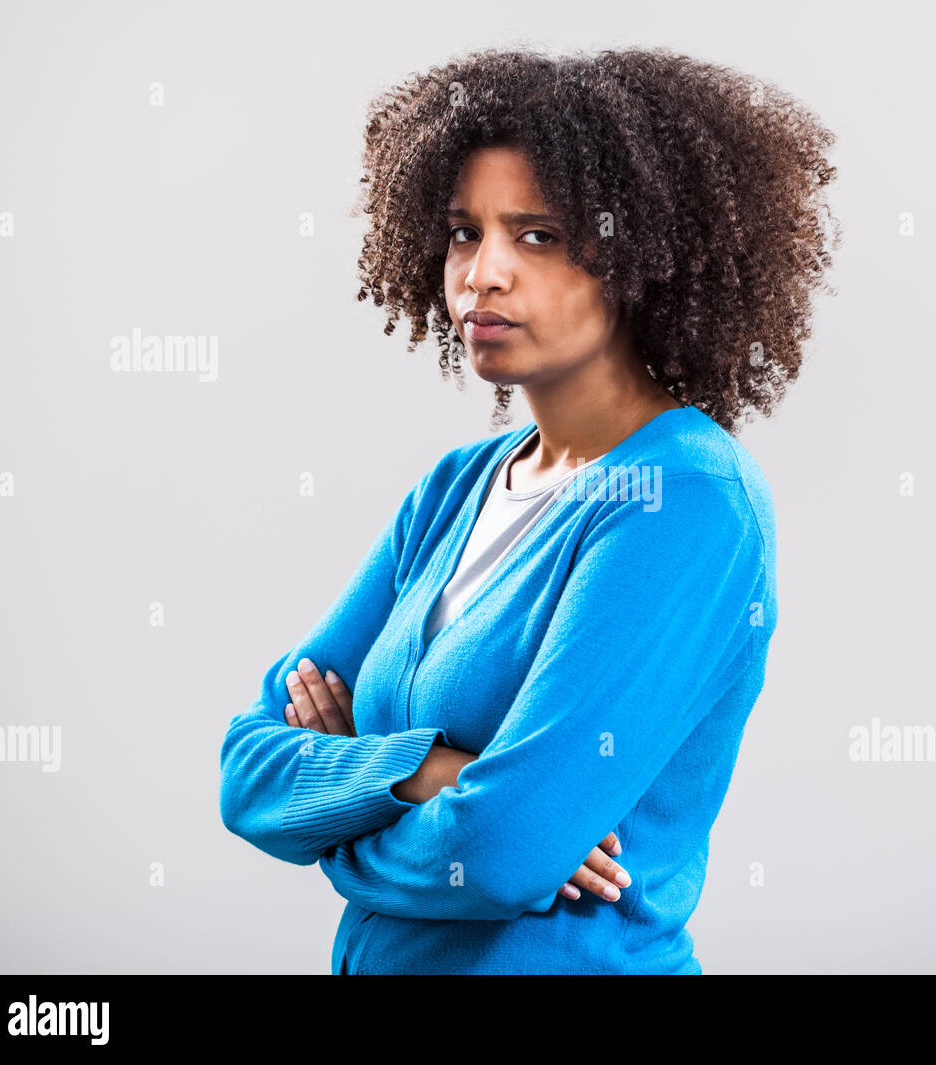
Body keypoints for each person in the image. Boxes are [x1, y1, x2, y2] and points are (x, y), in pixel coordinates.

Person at [219, 45, 839, 974]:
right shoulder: (452, 490)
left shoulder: (685, 502)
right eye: (465, 231)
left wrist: (345, 794)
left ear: (643, 259)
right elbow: (247, 773)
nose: (482, 275)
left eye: (538, 235)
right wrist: (431, 773)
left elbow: (502, 854)